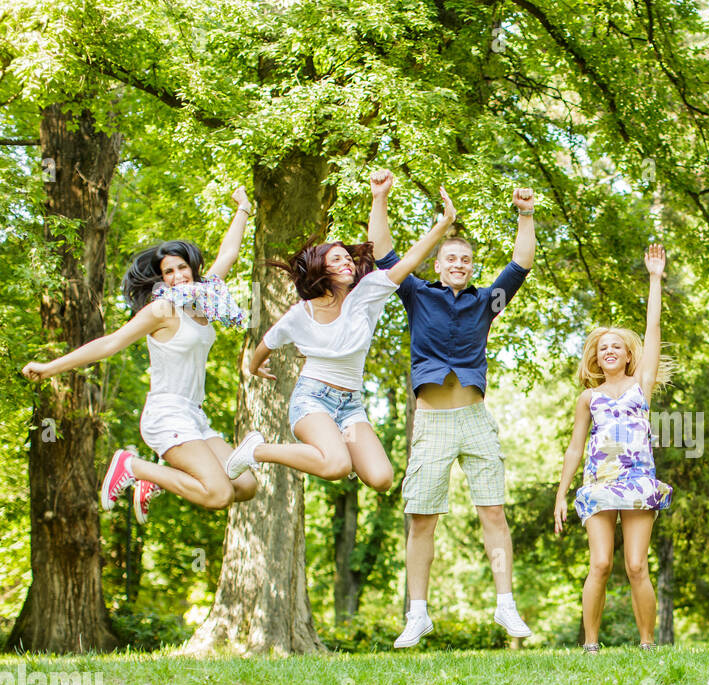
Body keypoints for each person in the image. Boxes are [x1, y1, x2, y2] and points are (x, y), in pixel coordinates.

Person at [367, 170, 537, 649]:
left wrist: (525, 213)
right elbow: (382, 252)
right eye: (451, 258)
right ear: (438, 264)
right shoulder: (417, 294)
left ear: (470, 266)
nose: (459, 263)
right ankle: (417, 614)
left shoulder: (489, 301)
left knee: (493, 513)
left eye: (465, 258)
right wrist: (380, 198)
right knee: (422, 518)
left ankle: (506, 605)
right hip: (433, 421)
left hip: (476, 419)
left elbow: (521, 262)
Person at [22, 187, 257, 522]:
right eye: (168, 272)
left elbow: (229, 253)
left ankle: (151, 477)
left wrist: (244, 208)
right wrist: (48, 368)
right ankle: (132, 465)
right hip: (167, 415)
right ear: (161, 278)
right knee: (219, 494)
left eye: (182, 268)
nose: (177, 277)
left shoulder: (205, 297)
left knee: (245, 485)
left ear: (193, 267)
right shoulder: (162, 309)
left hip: (194, 415)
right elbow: (108, 344)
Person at [223, 182, 458, 494]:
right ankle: (257, 450)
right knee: (337, 467)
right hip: (312, 399)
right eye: (336, 259)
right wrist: (254, 367)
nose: (347, 261)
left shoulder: (368, 293)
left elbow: (409, 262)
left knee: (381, 479)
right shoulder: (300, 315)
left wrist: (442, 225)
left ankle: (336, 446)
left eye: (347, 258)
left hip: (351, 405)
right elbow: (266, 343)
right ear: (321, 269)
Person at [554, 245, 673, 653]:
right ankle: (590, 645)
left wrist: (655, 279)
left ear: (627, 355)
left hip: (638, 481)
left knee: (636, 565)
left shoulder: (642, 385)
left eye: (616, 347)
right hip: (599, 483)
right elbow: (573, 449)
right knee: (600, 564)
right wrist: (561, 494)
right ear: (596, 357)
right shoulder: (588, 398)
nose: (609, 351)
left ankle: (647, 645)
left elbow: (653, 330)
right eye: (602, 347)